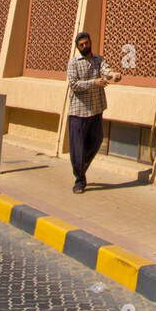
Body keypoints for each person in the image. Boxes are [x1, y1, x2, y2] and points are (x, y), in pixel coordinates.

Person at [66, 30, 121, 193]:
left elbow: (106, 70)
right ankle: (79, 180)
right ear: (78, 47)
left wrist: (113, 75)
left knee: (96, 141)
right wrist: (94, 83)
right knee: (77, 147)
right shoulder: (73, 63)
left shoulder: (98, 60)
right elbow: (74, 84)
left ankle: (80, 166)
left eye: (86, 43)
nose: (84, 46)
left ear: (90, 42)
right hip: (78, 112)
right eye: (81, 44)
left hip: (96, 110)